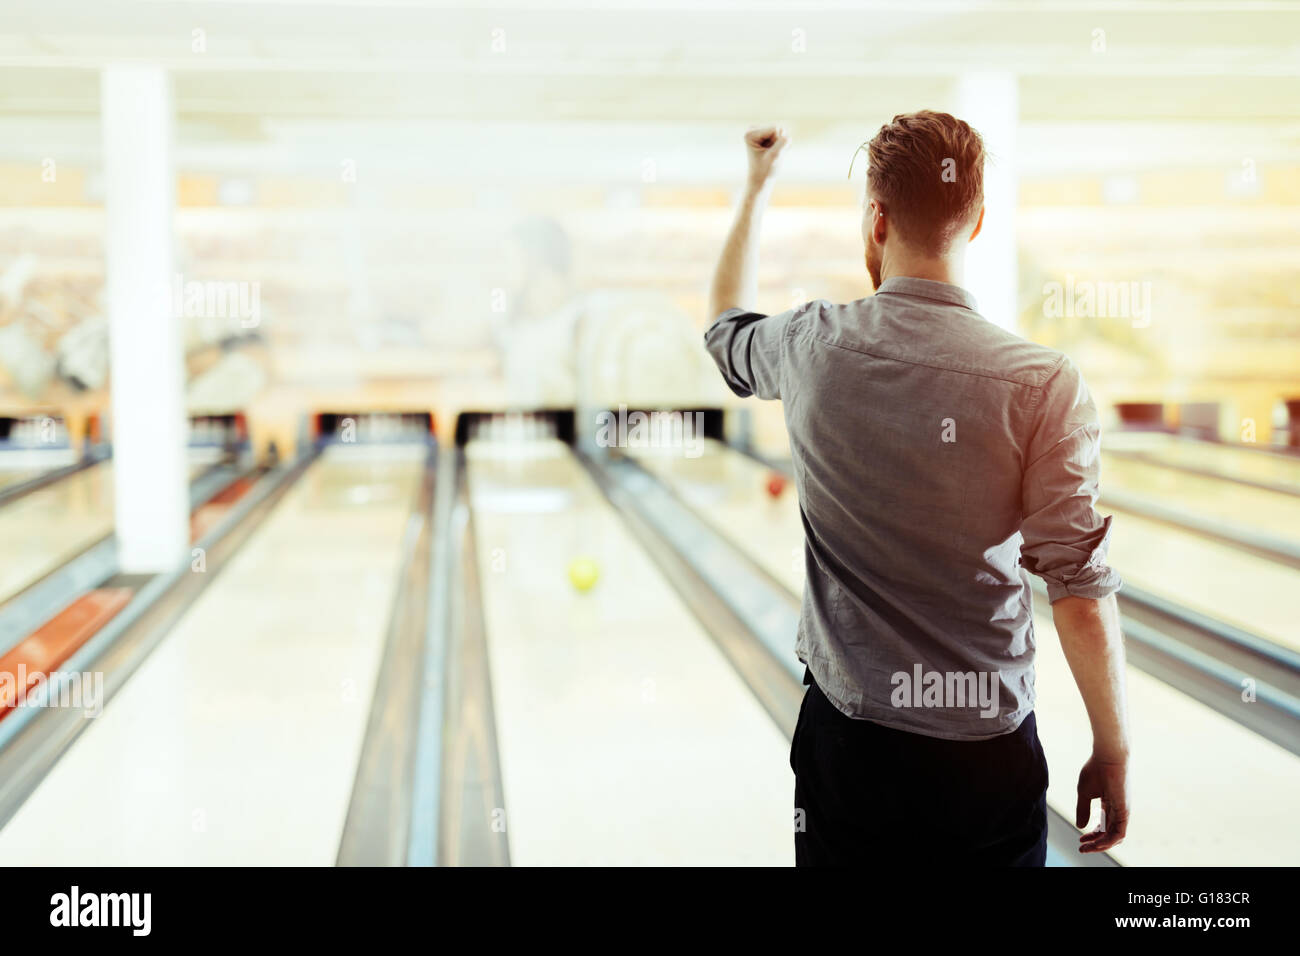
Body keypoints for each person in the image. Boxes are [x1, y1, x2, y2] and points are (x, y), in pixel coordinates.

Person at [704, 113, 1130, 866]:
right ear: (978, 222)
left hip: (851, 750)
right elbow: (1079, 592)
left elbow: (725, 330)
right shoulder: (1045, 383)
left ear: (876, 218)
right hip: (987, 756)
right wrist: (1112, 744)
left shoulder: (811, 344)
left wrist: (756, 187)